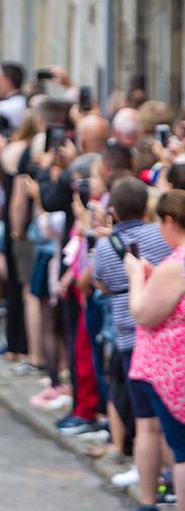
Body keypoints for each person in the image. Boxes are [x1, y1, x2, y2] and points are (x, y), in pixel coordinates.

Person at [92, 177, 172, 509]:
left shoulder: (105, 246)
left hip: (127, 334)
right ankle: (170, 480)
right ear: (147, 206)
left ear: (114, 211)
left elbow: (102, 284)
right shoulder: (160, 235)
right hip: (165, 334)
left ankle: (148, 495)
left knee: (145, 421)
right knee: (167, 419)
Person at [127, 189, 185, 511]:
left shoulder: (177, 263)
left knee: (181, 450)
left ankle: (153, 501)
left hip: (172, 369)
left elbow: (143, 313)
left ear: (170, 221)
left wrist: (136, 276)